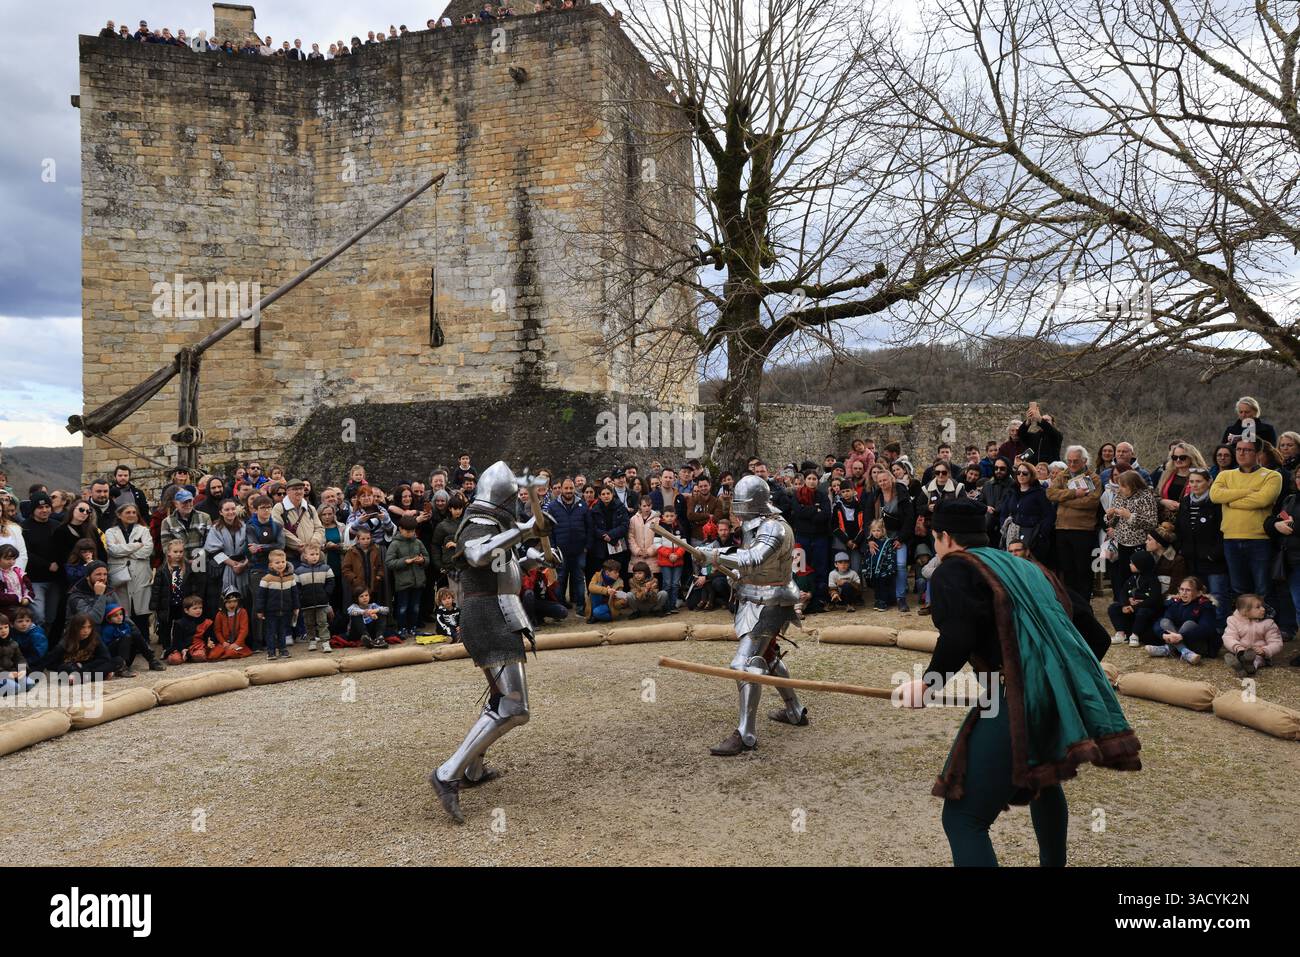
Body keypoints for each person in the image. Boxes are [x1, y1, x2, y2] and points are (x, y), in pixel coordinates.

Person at [895, 498, 1141, 867]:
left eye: (935, 537)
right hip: (1051, 699)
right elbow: (1097, 637)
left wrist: (926, 685)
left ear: (944, 537)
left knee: (963, 819)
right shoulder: (1029, 569)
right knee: (1043, 780)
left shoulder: (954, 570)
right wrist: (1060, 678)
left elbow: (958, 635)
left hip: (1017, 699)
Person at [428, 461, 558, 824]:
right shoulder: (480, 522)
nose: (520, 501)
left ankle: (473, 770)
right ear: (503, 499)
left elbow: (500, 565)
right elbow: (476, 555)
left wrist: (531, 560)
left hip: (499, 611)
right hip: (487, 616)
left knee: (504, 701)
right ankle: (447, 773)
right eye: (516, 497)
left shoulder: (496, 523)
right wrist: (526, 529)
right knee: (515, 708)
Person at [695, 474, 808, 757]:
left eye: (741, 502)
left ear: (755, 502)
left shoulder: (775, 529)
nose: (736, 508)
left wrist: (715, 555)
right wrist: (716, 558)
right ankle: (794, 710)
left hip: (770, 602)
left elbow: (752, 559)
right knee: (767, 657)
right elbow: (745, 565)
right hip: (753, 598)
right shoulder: (754, 524)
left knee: (743, 664)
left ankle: (746, 733)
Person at [1210, 438, 1281, 607]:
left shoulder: (1272, 475)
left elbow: (1263, 499)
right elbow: (1215, 496)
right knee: (1238, 589)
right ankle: (1244, 629)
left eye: (1247, 450)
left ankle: (1265, 629)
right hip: (1231, 539)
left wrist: (1231, 500)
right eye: (1239, 449)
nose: (1241, 453)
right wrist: (1249, 491)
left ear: (1258, 453)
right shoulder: (1225, 474)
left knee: (1263, 588)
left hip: (1259, 539)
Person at [1046, 446, 1102, 598]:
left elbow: (1091, 502)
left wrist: (1063, 500)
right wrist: (1074, 494)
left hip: (1083, 529)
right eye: (1069, 461)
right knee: (1067, 568)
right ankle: (1071, 601)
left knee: (1083, 569)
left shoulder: (1093, 478)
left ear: (1084, 461)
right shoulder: (1062, 475)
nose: (1071, 464)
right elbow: (1050, 493)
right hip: (1062, 528)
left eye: (1075, 461)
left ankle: (1084, 600)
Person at [1103, 471, 1159, 600]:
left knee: (1139, 576)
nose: (1120, 489)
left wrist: (1130, 516)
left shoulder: (1146, 497)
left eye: (1123, 486)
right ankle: (1122, 602)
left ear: (1133, 485)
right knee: (1122, 576)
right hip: (1121, 543)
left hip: (1139, 543)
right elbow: (1113, 522)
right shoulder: (1119, 496)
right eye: (1119, 485)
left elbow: (1152, 522)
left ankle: (1139, 602)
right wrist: (1109, 516)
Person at [104, 503, 154, 643]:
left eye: (134, 512)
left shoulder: (143, 530)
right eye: (128, 512)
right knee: (124, 610)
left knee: (141, 610)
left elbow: (147, 551)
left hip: (140, 573)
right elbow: (113, 550)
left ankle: (144, 641)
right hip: (120, 575)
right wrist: (137, 545)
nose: (132, 515)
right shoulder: (110, 532)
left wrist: (124, 552)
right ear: (119, 515)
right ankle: (127, 641)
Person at [1146, 577, 1218, 665]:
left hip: (1198, 644)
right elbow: (1159, 621)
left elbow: (1206, 629)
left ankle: (1168, 649)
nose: (1184, 593)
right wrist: (1163, 635)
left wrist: (1182, 636)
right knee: (1165, 621)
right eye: (1182, 589)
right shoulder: (1175, 603)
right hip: (1181, 641)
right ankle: (1184, 651)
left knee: (1189, 624)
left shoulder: (1205, 605)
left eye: (1188, 590)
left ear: (1199, 593)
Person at [545, 478, 591, 611]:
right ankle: (560, 607)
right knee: (560, 579)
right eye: (566, 488)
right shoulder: (553, 506)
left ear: (574, 488)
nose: (569, 491)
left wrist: (587, 546)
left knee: (578, 579)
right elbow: (550, 530)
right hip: (560, 551)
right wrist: (552, 548)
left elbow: (589, 527)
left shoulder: (582, 505)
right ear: (561, 489)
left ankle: (581, 607)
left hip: (579, 550)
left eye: (571, 488)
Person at [1267, 467, 1300, 646]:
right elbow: (1270, 520)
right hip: (1287, 560)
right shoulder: (1289, 499)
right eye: (1299, 476)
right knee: (1293, 603)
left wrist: (1292, 527)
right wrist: (1276, 526)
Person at [20, 492, 62, 632]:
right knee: (39, 615)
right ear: (33, 510)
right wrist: (47, 565)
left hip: (55, 579)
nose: (44, 510)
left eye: (47, 506)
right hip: (35, 580)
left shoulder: (57, 525)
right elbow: (25, 552)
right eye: (40, 507)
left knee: (51, 616)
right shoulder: (24, 527)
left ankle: (46, 646)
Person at [1107, 550, 1163, 647]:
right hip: (1131, 605)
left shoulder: (1153, 580)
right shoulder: (1133, 578)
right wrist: (1125, 604)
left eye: (1133, 563)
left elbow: (1154, 598)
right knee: (1113, 608)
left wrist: (1136, 607)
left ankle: (1135, 635)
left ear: (1141, 565)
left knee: (1143, 612)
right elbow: (1123, 592)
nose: (1130, 565)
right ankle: (1121, 633)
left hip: (1145, 607)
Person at [998, 461, 1052, 561]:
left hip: (1032, 534)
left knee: (1029, 562)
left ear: (1031, 475)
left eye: (1025, 473)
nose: (1021, 475)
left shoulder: (1040, 492)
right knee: (1012, 562)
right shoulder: (1012, 491)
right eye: (1018, 473)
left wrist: (1041, 534)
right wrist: (1004, 526)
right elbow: (1004, 512)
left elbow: (1049, 515)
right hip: (1012, 532)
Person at [385, 516, 429, 639]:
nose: (410, 533)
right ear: (401, 529)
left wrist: (422, 560)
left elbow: (427, 558)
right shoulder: (395, 544)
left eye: (412, 531)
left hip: (418, 581)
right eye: (407, 531)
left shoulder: (418, 542)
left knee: (415, 607)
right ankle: (401, 628)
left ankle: (413, 628)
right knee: (402, 607)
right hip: (403, 582)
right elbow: (389, 562)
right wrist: (406, 561)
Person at [1221, 594, 1282, 676]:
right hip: (1240, 652)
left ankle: (1247, 666)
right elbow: (1229, 637)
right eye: (1258, 607)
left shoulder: (1268, 623)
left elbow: (1276, 642)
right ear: (1245, 612)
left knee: (1256, 659)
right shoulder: (1233, 620)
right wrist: (1238, 648)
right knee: (1240, 657)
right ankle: (1242, 666)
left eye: (1262, 606)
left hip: (1261, 655)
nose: (1263, 609)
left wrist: (1264, 650)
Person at [256, 548, 299, 660]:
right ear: (271, 565)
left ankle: (283, 649)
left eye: (283, 562)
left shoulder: (290, 577)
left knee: (282, 631)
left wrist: (296, 607)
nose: (281, 565)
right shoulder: (266, 579)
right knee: (271, 631)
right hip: (270, 611)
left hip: (286, 609)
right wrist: (260, 610)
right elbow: (261, 596)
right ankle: (271, 651)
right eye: (277, 562)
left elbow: (295, 594)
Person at [55, 614, 123, 683]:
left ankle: (82, 678)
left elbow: (105, 657)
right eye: (82, 627)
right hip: (73, 668)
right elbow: (58, 663)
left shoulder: (95, 637)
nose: (86, 631)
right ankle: (98, 676)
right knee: (63, 671)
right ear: (75, 628)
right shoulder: (67, 639)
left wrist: (83, 668)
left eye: (89, 627)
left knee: (118, 660)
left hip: (90, 667)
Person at [295, 543, 335, 651]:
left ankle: (325, 642)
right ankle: (311, 641)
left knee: (323, 622)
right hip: (307, 603)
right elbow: (296, 587)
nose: (315, 556)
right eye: (312, 554)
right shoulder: (298, 571)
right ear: (305, 556)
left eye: (317, 554)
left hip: (322, 602)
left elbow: (331, 582)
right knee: (309, 623)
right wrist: (301, 597)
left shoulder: (326, 568)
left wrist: (325, 594)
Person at [209, 590, 253, 660]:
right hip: (225, 643)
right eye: (229, 602)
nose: (232, 604)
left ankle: (227, 653)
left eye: (235, 601)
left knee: (231, 653)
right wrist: (223, 642)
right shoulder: (220, 614)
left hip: (238, 644)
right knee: (213, 655)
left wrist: (237, 643)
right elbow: (217, 631)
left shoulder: (242, 612)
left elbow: (244, 630)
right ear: (224, 603)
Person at [0, 613, 37, 694]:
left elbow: (20, 658)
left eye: (6, 627)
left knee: (30, 683)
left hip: (12, 673)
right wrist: (6, 674)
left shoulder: (13, 643)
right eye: (0, 628)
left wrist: (22, 670)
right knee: (15, 688)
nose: (4, 630)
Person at [9, 606, 50, 672]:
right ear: (11, 624)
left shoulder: (37, 635)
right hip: (20, 660)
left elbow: (38, 654)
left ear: (31, 622)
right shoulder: (12, 632)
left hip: (35, 662)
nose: (24, 624)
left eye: (27, 621)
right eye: (20, 621)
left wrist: (23, 663)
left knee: (25, 677)